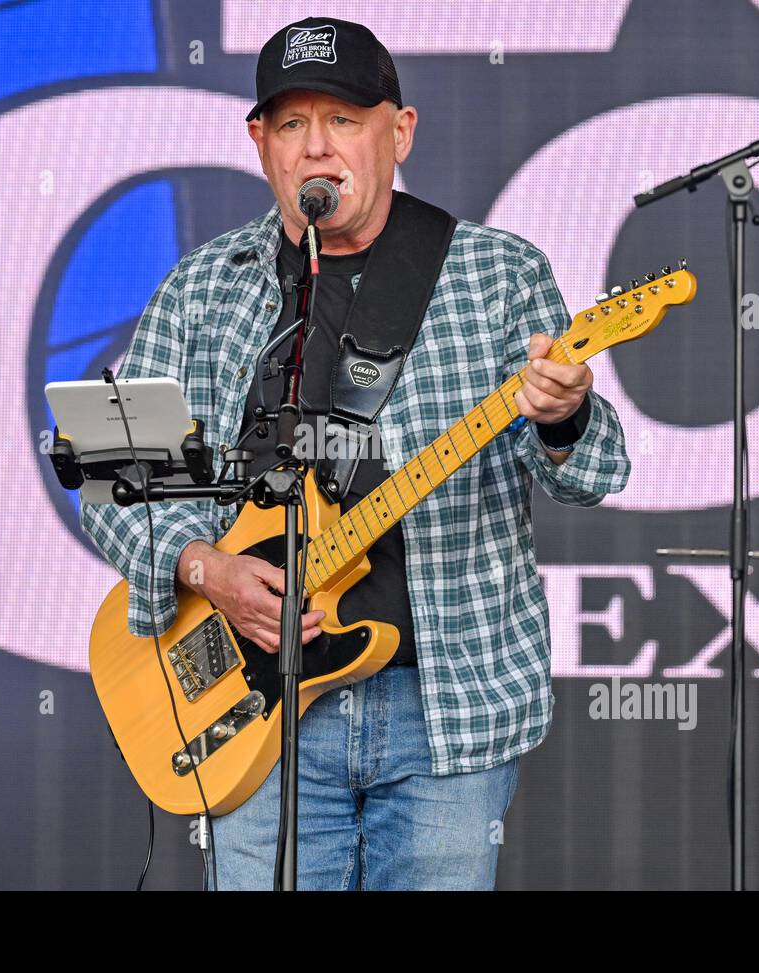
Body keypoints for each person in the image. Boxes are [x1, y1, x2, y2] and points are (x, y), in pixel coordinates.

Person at [81, 16, 631, 890]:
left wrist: (563, 417)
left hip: (447, 707)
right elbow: (113, 476)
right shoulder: (200, 283)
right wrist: (201, 567)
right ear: (260, 143)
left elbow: (595, 476)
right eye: (293, 124)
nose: (317, 149)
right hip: (255, 708)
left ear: (399, 130)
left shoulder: (498, 274)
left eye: (343, 119)